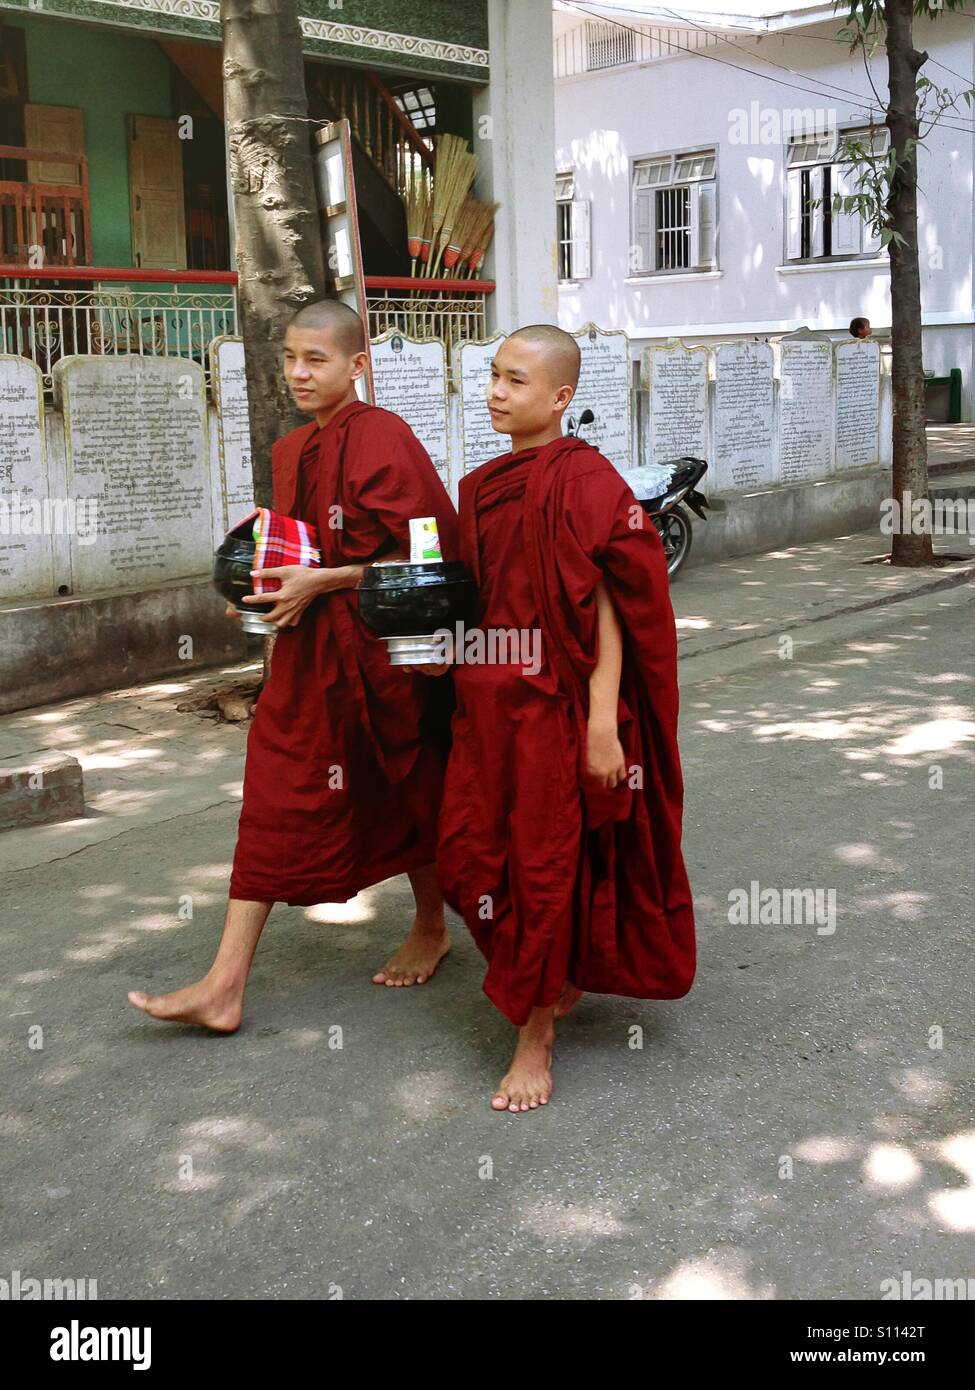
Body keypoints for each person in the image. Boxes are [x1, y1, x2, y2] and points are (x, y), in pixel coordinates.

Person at [128, 300, 458, 1032]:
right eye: (290, 359)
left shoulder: (383, 438)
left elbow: (429, 552)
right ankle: (224, 983)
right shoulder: (291, 449)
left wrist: (330, 581)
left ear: (356, 365)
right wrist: (262, 594)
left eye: (318, 360)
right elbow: (299, 551)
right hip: (310, 657)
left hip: (382, 654)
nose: (300, 374)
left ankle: (433, 926)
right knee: (276, 798)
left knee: (411, 789)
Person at [437, 325, 695, 1112]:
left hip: (557, 707)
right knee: (468, 852)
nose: (495, 392)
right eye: (493, 377)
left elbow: (614, 605)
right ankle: (557, 974)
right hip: (487, 705)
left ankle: (533, 1031)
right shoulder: (481, 486)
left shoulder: (584, 483)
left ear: (558, 398)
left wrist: (600, 723)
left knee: (540, 867)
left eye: (515, 381)